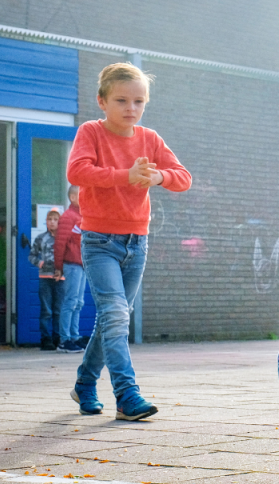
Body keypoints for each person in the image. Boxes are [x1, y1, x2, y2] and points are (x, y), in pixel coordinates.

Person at [67, 62, 192, 420]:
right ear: (102, 101)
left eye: (139, 102)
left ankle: (84, 385)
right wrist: (127, 175)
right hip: (98, 241)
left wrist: (159, 177)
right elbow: (76, 171)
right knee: (116, 315)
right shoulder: (91, 131)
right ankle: (126, 395)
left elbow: (183, 178)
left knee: (111, 318)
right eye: (122, 100)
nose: (131, 109)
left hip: (137, 242)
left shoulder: (150, 139)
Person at [55, 185, 86, 353]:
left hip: (81, 265)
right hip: (72, 265)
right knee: (70, 301)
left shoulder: (81, 216)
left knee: (79, 302)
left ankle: (74, 336)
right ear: (73, 198)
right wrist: (58, 267)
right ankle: (64, 340)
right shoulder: (68, 217)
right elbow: (60, 244)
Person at [29, 208, 63, 351]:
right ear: (46, 222)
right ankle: (45, 339)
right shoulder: (40, 238)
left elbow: (70, 257)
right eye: (50, 219)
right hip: (44, 278)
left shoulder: (63, 238)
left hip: (61, 278)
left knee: (58, 310)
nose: (52, 222)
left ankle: (58, 338)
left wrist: (62, 270)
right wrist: (40, 263)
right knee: (46, 310)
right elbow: (31, 256)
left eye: (55, 219)